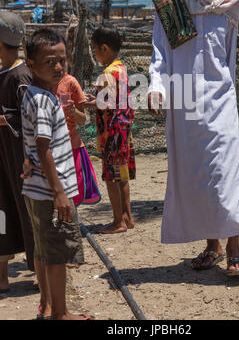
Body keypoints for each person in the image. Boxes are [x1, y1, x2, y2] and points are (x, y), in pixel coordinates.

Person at [148, 0, 239, 276]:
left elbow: (227, 58)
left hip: (221, 100)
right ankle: (210, 246)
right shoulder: (170, 4)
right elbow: (159, 56)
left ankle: (233, 247)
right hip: (184, 103)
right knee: (196, 175)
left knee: (225, 172)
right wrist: (156, 87)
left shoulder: (231, 4)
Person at [21, 28, 92, 320]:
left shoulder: (37, 94)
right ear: (31, 64)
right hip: (50, 192)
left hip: (38, 190)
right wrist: (60, 192)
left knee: (43, 250)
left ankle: (49, 304)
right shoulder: (42, 100)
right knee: (57, 253)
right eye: (50, 61)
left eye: (62, 60)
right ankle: (60, 313)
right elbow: (43, 147)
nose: (58, 67)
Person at [84, 24, 135, 234]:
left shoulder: (107, 72)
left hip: (111, 131)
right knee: (121, 174)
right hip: (123, 128)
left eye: (95, 50)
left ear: (104, 48)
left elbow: (105, 103)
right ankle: (127, 217)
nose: (95, 54)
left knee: (111, 177)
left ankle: (117, 222)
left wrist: (87, 103)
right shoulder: (121, 69)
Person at [0, 12, 35, 293]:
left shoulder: (20, 76)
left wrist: (7, 120)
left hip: (19, 160)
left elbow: (32, 120)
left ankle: (41, 274)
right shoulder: (4, 73)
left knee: (28, 212)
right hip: (3, 160)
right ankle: (2, 276)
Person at [53, 72, 101, 208]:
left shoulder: (70, 82)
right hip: (48, 148)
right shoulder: (39, 81)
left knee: (70, 197)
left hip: (70, 147)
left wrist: (73, 111)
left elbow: (82, 119)